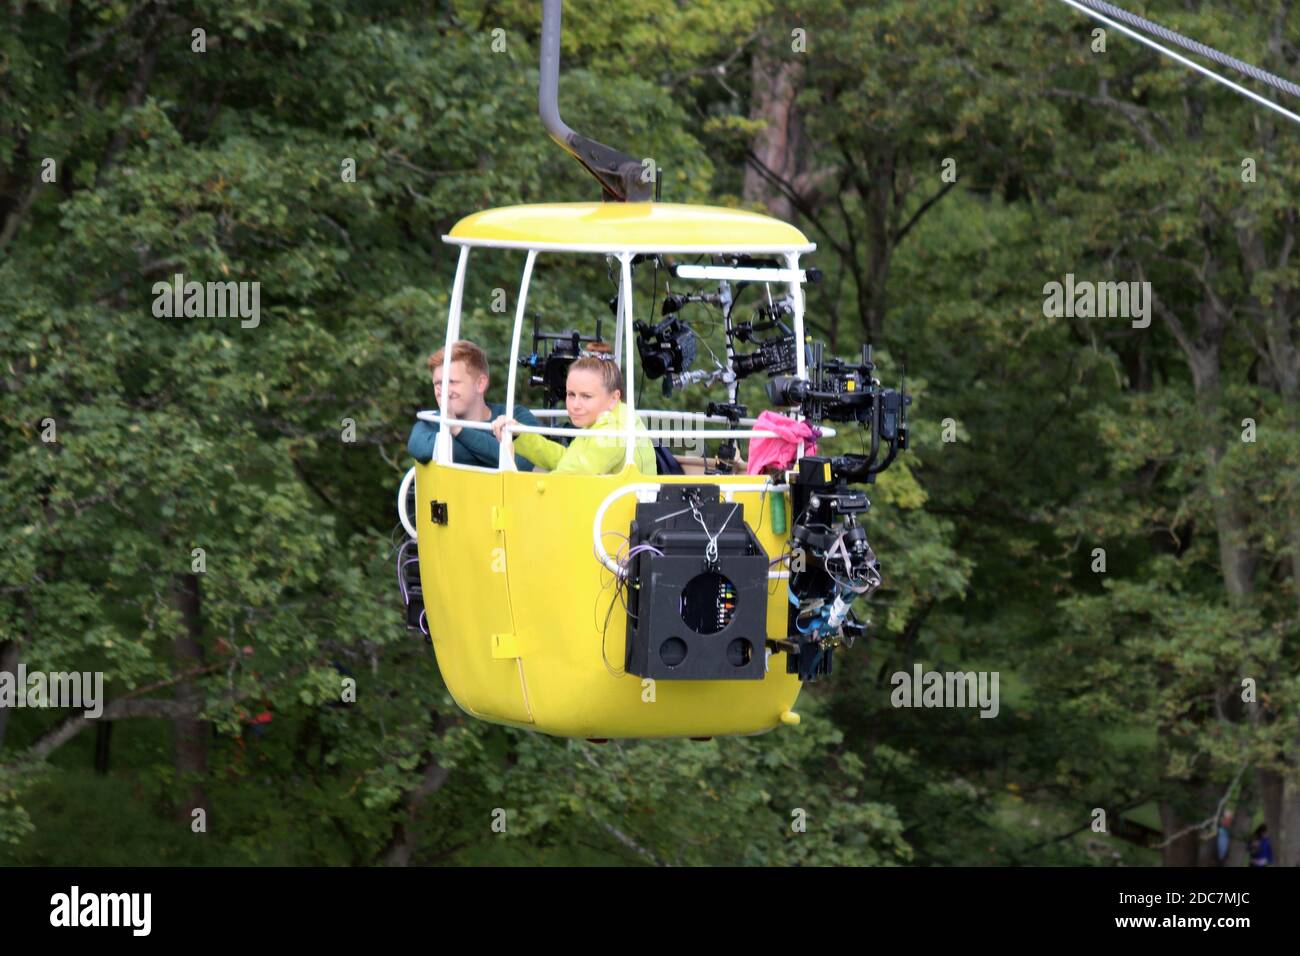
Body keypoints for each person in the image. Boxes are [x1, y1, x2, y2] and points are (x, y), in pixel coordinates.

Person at [490, 355, 655, 475]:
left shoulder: (614, 430)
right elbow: (568, 459)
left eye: (586, 396)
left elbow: (575, 473)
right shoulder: (603, 419)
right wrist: (520, 434)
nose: (575, 405)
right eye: (571, 394)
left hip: (621, 516)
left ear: (613, 398)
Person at [407, 340, 540, 470]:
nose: (443, 391)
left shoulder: (515, 416)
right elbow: (418, 447)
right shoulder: (432, 422)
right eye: (438, 384)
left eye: (452, 382)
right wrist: (495, 454)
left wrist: (458, 430)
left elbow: (530, 463)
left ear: (480, 384)